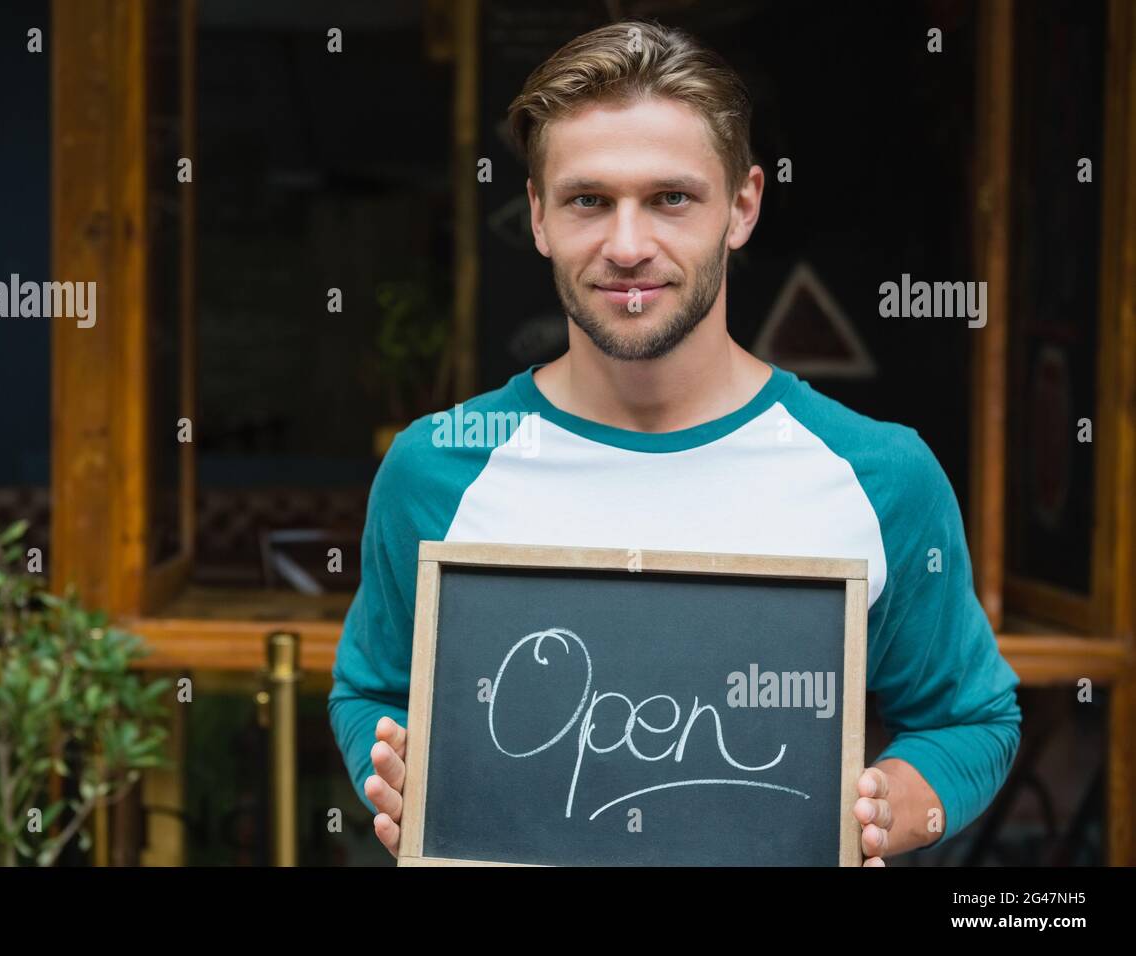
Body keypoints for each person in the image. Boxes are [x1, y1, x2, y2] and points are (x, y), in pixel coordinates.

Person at [328, 19, 1021, 865]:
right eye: (589, 200)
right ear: (538, 216)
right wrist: (395, 767)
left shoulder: (881, 476)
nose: (627, 247)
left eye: (671, 198)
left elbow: (972, 719)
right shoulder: (437, 468)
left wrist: (900, 805)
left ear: (742, 205)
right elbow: (369, 689)